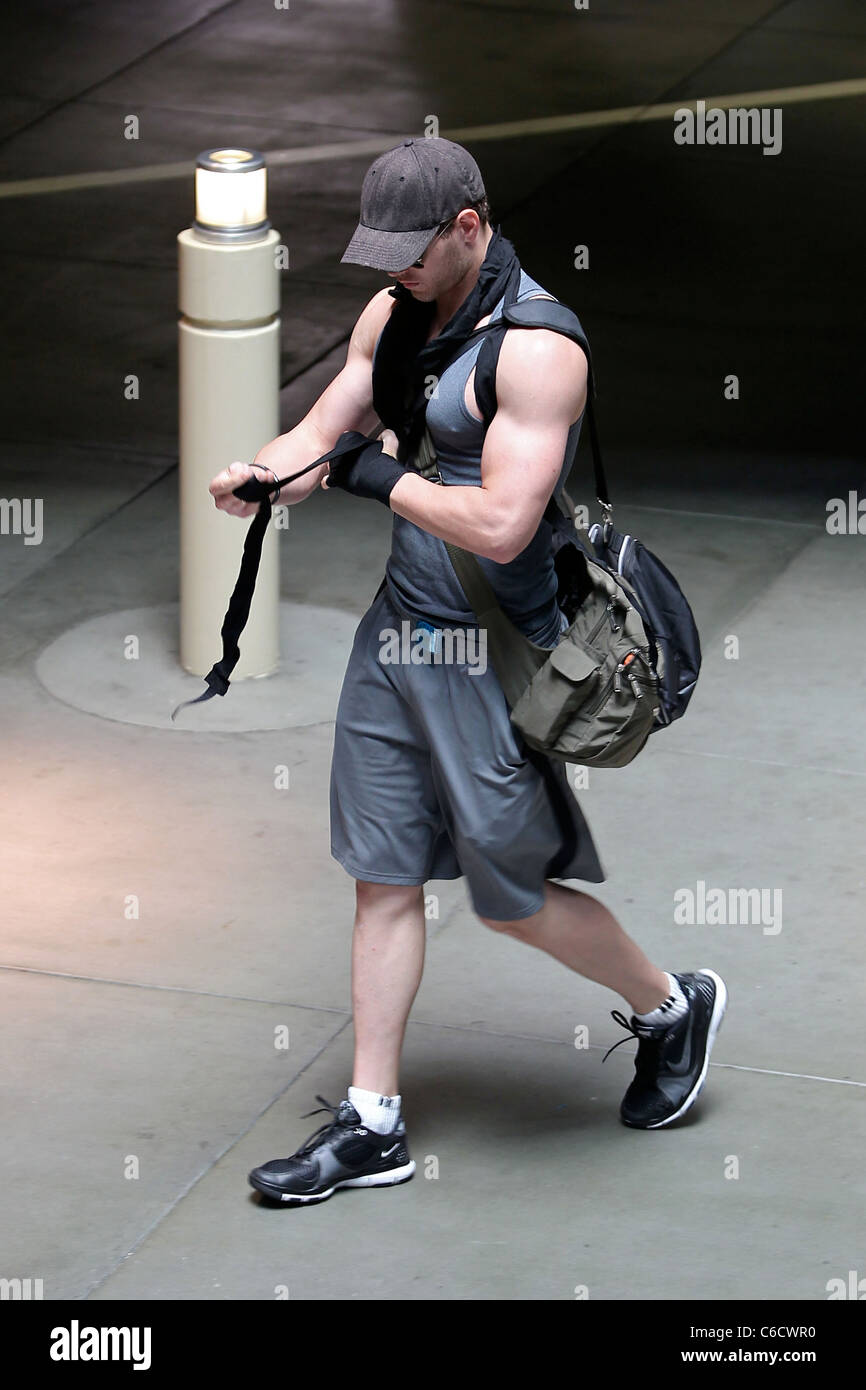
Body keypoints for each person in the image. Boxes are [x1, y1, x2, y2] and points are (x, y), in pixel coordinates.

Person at [209, 138, 727, 1207]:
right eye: (381, 252)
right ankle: (371, 1124)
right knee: (383, 869)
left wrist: (377, 480)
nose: (395, 268)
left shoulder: (538, 350)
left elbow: (498, 525)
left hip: (495, 657)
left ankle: (673, 1007)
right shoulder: (393, 312)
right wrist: (268, 471)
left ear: (469, 227)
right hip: (400, 631)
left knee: (509, 897)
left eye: (414, 248)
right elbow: (333, 417)